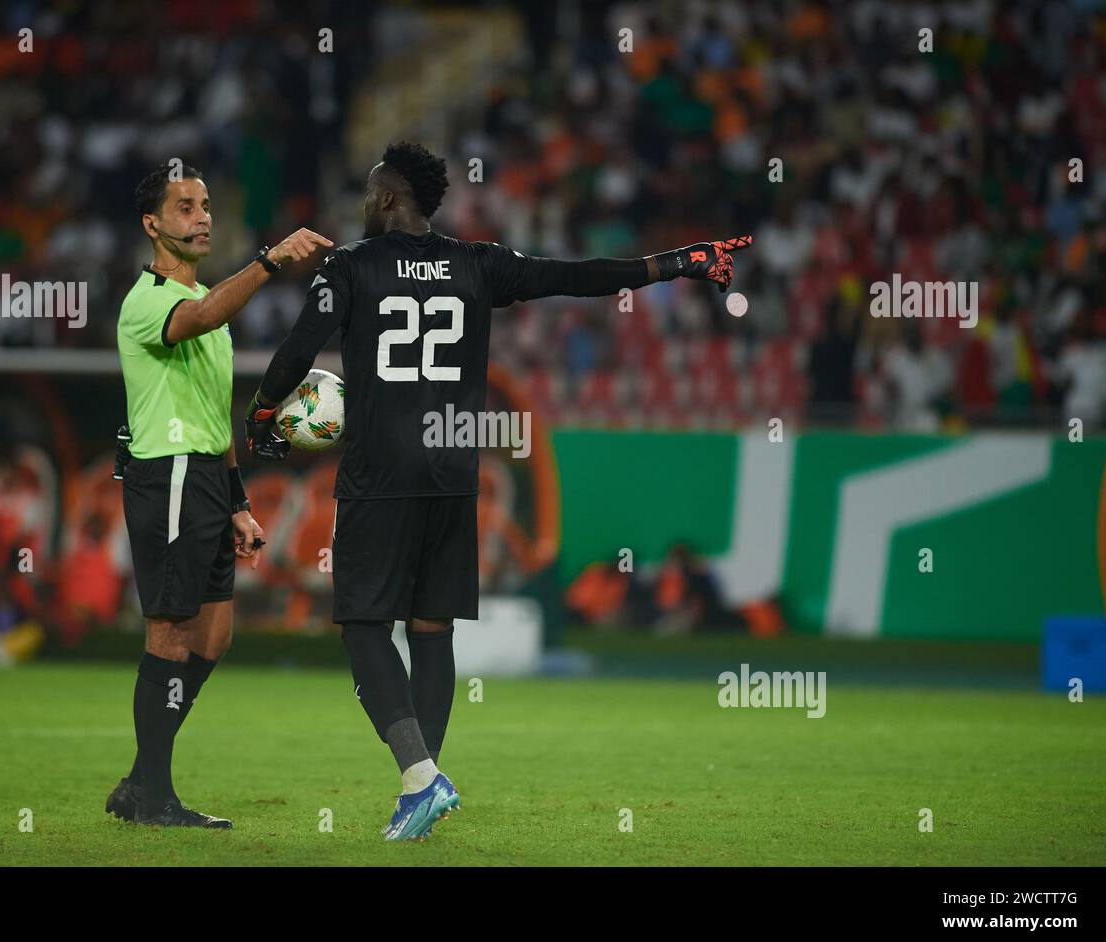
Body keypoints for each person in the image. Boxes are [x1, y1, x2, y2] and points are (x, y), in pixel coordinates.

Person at [244, 142, 751, 840]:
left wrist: (263, 413)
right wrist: (680, 262)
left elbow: (300, 349)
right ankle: (422, 785)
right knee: (431, 628)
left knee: (363, 626)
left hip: (381, 473)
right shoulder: (479, 263)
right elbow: (582, 277)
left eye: (369, 193)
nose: (364, 204)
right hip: (454, 471)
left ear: (390, 199)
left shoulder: (350, 266)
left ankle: (421, 778)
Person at [106, 161, 331, 828]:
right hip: (167, 473)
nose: (202, 217)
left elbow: (214, 410)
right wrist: (269, 261)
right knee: (171, 632)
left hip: (205, 476)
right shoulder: (149, 301)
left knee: (216, 634)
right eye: (184, 207)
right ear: (153, 224)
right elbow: (200, 314)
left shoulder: (210, 304)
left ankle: (143, 780)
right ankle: (153, 795)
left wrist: (237, 500)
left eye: (205, 205)